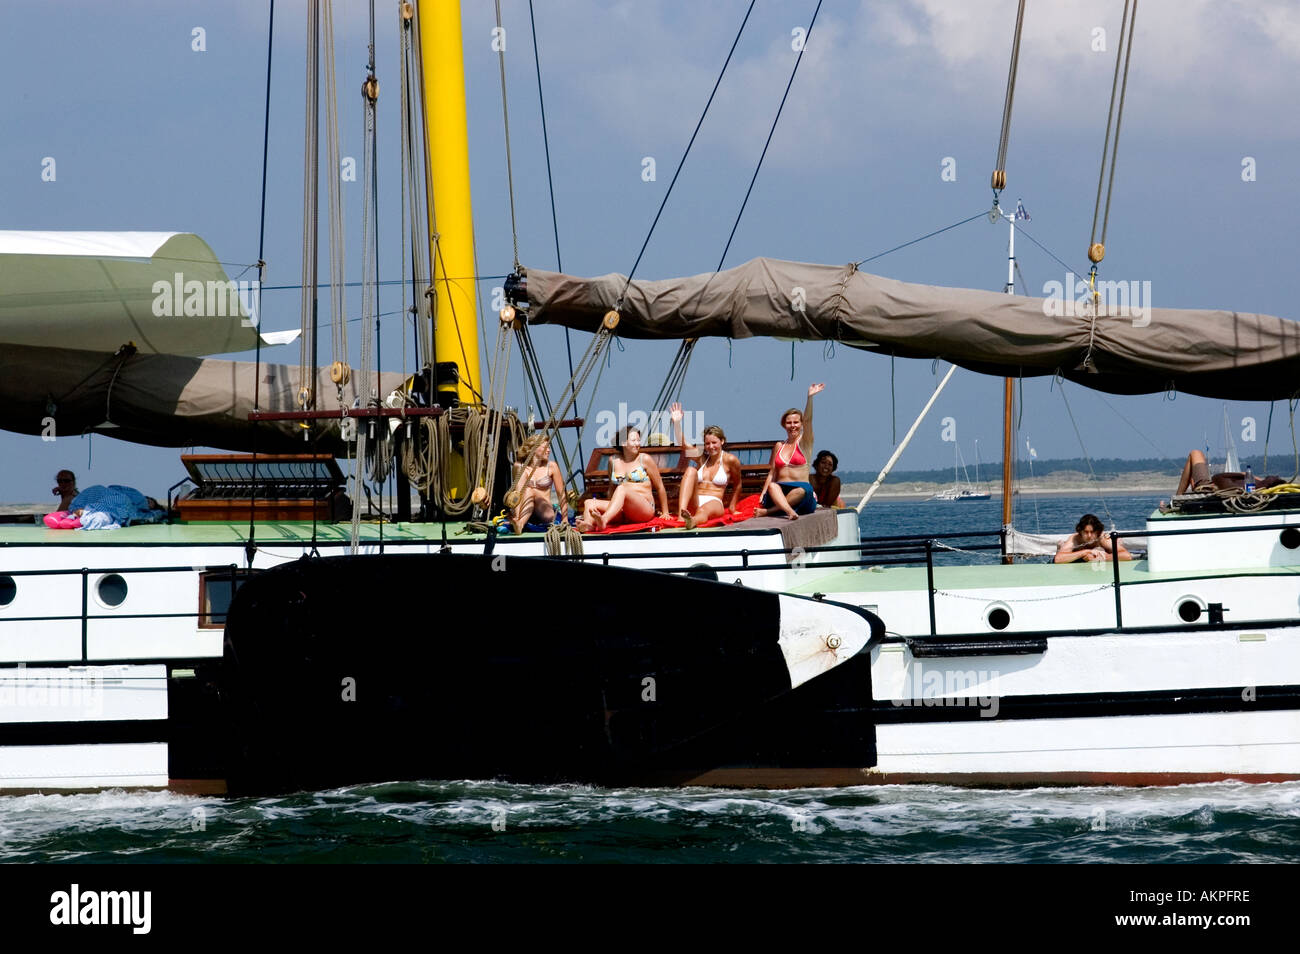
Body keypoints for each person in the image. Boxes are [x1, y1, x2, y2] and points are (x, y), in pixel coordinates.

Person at [578, 426, 670, 531]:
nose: (637, 443)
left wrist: (665, 512)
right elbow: (612, 487)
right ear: (623, 443)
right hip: (622, 510)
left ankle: (604, 520)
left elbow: (660, 486)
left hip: (644, 508)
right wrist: (612, 506)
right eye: (634, 440)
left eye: (639, 440)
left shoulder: (645, 459)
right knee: (589, 502)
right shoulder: (613, 460)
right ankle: (588, 525)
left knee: (622, 489)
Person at [755, 382, 824, 520]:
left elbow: (809, 421)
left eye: (796, 422)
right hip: (779, 491)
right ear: (783, 425)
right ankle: (788, 511)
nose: (793, 426)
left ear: (801, 424)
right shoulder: (779, 445)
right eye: (789, 423)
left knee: (801, 491)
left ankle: (770, 512)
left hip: (801, 492)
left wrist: (809, 398)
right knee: (773, 486)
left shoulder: (805, 442)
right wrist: (763, 493)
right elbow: (772, 473)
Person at [670, 403, 742, 529]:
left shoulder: (730, 460)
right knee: (691, 469)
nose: (711, 446)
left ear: (722, 441)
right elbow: (683, 445)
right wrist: (676, 423)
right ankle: (682, 515)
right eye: (707, 443)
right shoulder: (701, 457)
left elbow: (738, 484)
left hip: (714, 501)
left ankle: (692, 521)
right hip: (696, 500)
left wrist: (732, 507)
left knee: (703, 511)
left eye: (714, 442)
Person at [508, 434, 568, 533]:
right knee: (527, 491)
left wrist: (565, 519)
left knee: (531, 491)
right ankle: (519, 523)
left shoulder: (552, 466)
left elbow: (561, 494)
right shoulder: (519, 467)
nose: (549, 450)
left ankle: (519, 523)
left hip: (544, 510)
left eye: (549, 447)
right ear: (533, 448)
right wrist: (516, 516)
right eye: (545, 447)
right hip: (525, 510)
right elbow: (517, 493)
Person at [1054, 513, 1132, 563]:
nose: (1089, 536)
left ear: (1097, 531)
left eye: (1092, 532)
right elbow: (1058, 559)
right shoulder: (1075, 538)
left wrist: (1101, 558)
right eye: (1086, 532)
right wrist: (1085, 552)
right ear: (1080, 531)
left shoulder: (1102, 539)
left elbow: (1127, 556)